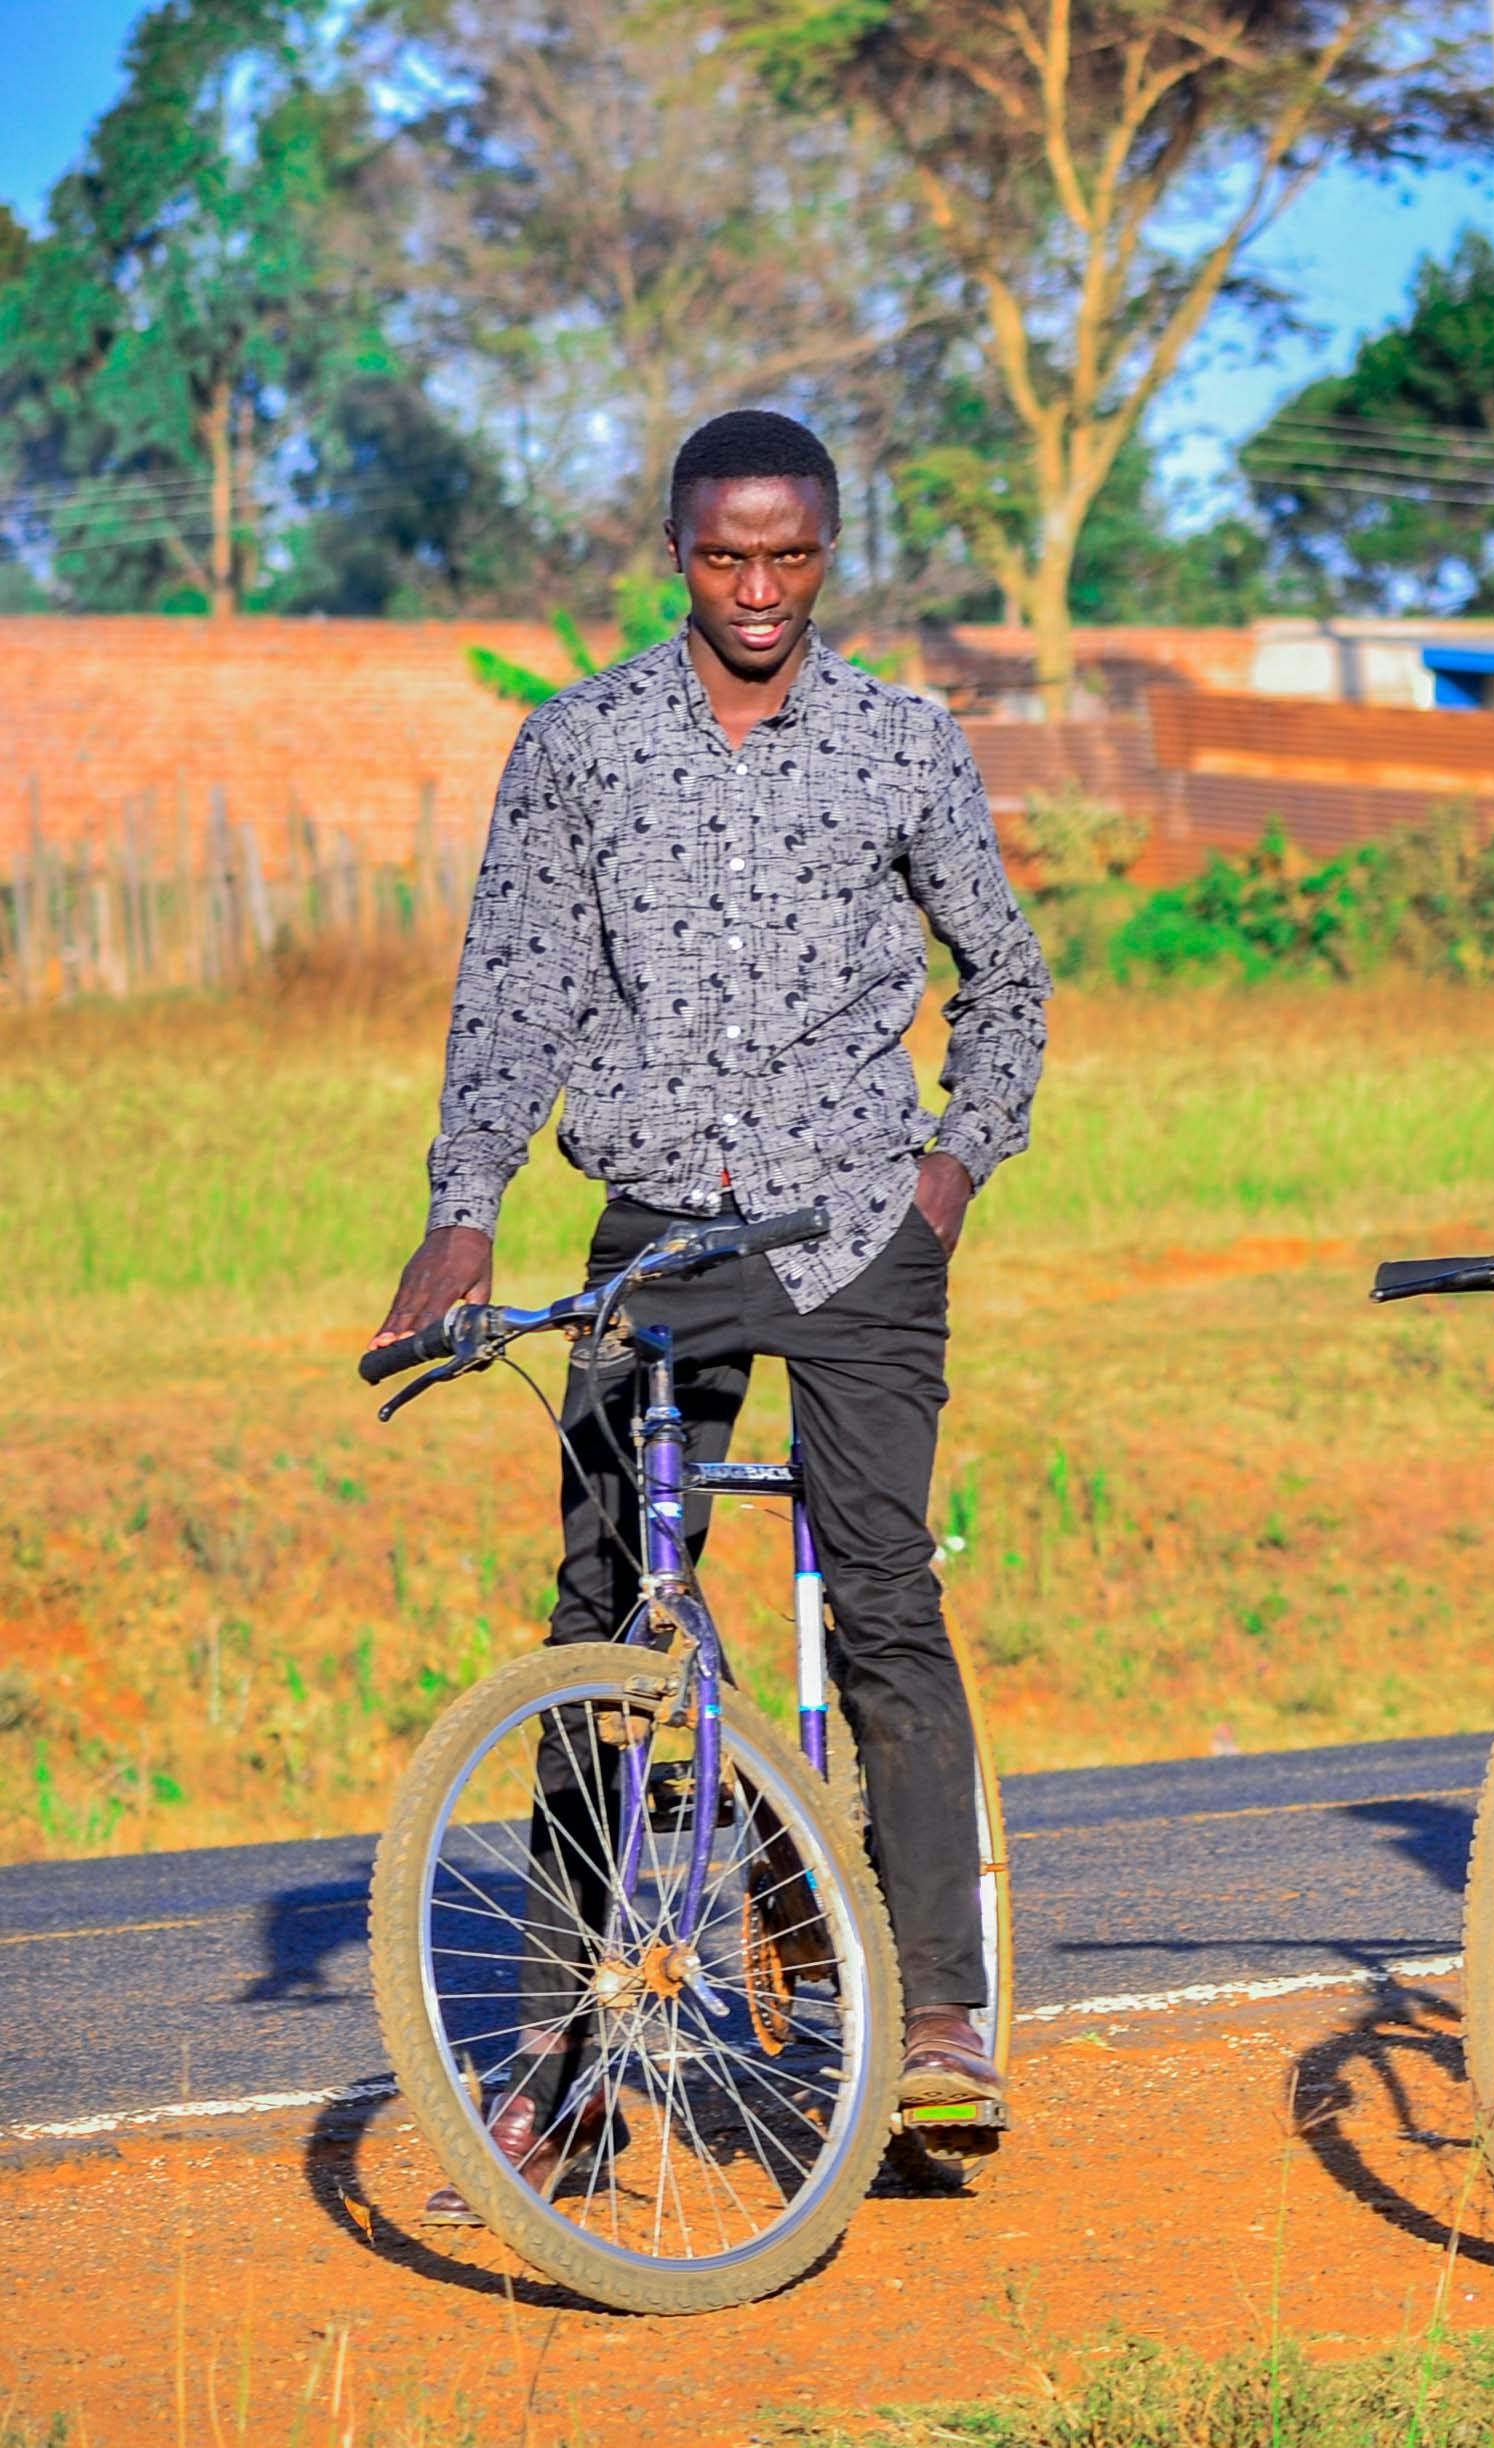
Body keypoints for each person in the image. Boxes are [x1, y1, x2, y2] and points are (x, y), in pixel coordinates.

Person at [368, 409, 1052, 2215]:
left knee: (885, 1594)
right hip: (654, 1234)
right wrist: (460, 1214)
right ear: (675, 551)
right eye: (726, 557)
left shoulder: (905, 740)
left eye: (792, 557)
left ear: (830, 551)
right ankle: (566, 2068)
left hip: (854, 1233)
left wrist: (951, 1175)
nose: (760, 591)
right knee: (597, 1625)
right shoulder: (579, 743)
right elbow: (509, 987)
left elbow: (1009, 977)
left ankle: (941, 2033)